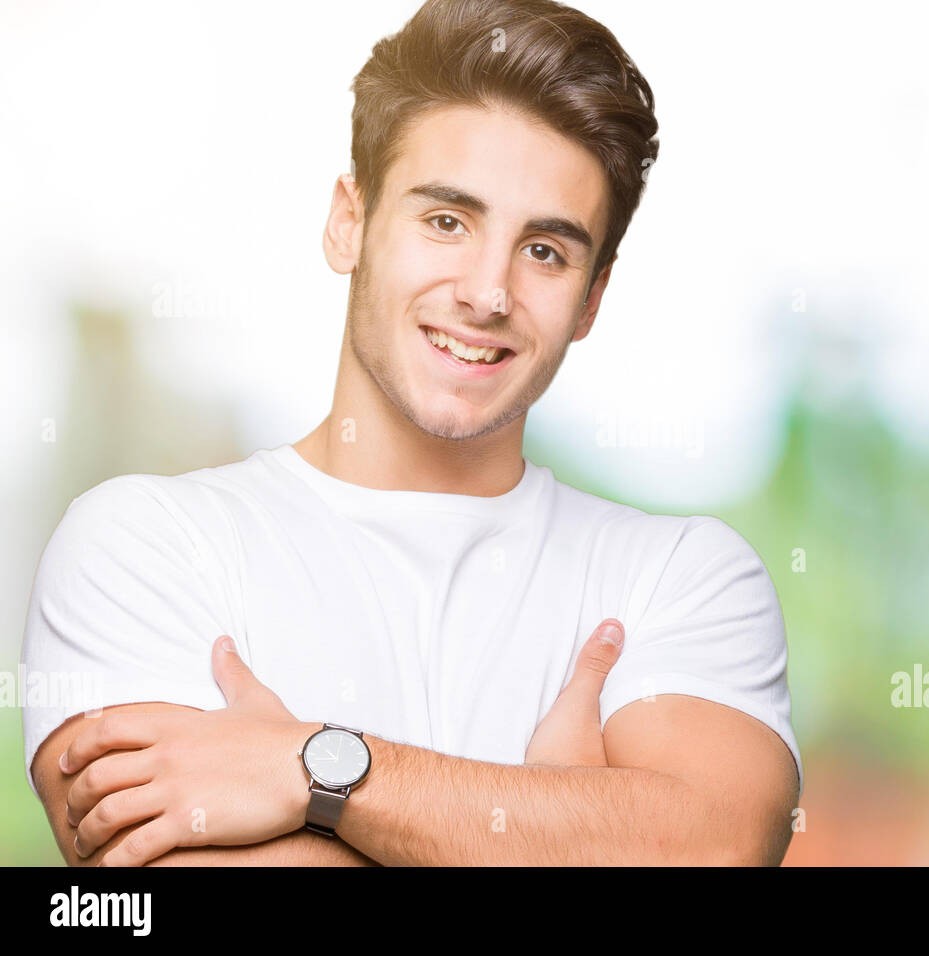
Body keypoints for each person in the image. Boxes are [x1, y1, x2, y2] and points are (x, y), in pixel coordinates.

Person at [21, 0, 802, 866]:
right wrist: (558, 830)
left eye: (545, 250)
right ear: (348, 222)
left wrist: (312, 768)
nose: (487, 293)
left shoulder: (683, 579)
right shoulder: (144, 549)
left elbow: (710, 847)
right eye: (446, 220)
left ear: (592, 298)